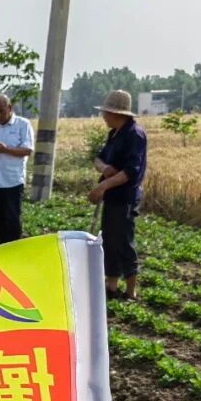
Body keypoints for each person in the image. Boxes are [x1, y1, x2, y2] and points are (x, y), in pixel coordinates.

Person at [89, 90, 147, 301]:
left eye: (106, 112)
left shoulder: (134, 135)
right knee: (109, 241)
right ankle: (111, 285)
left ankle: (131, 291)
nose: (104, 116)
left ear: (118, 114)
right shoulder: (114, 134)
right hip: (112, 197)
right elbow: (99, 159)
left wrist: (102, 186)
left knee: (123, 241)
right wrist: (104, 169)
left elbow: (130, 172)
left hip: (125, 198)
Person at [0, 94, 34, 244]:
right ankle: (2, 249)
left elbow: (27, 150)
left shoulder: (22, 125)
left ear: (9, 108)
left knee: (12, 220)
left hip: (13, 181)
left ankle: (14, 250)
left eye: (1, 111)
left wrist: (5, 149)